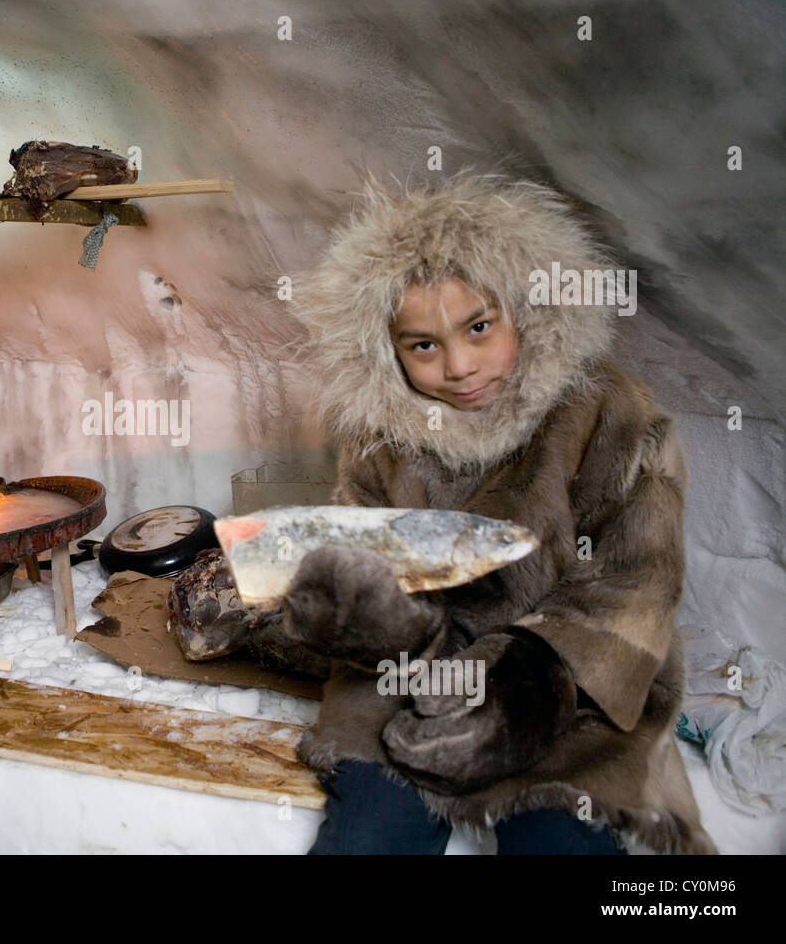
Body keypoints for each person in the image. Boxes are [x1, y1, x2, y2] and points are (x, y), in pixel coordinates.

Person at [284, 173, 716, 854]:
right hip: (411, 684)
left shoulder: (615, 416)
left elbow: (633, 587)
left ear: (524, 311)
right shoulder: (378, 437)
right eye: (423, 345)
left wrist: (519, 685)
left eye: (479, 327)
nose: (459, 366)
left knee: (560, 844)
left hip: (563, 691)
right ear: (386, 350)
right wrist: (365, 614)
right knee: (364, 840)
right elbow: (375, 563)